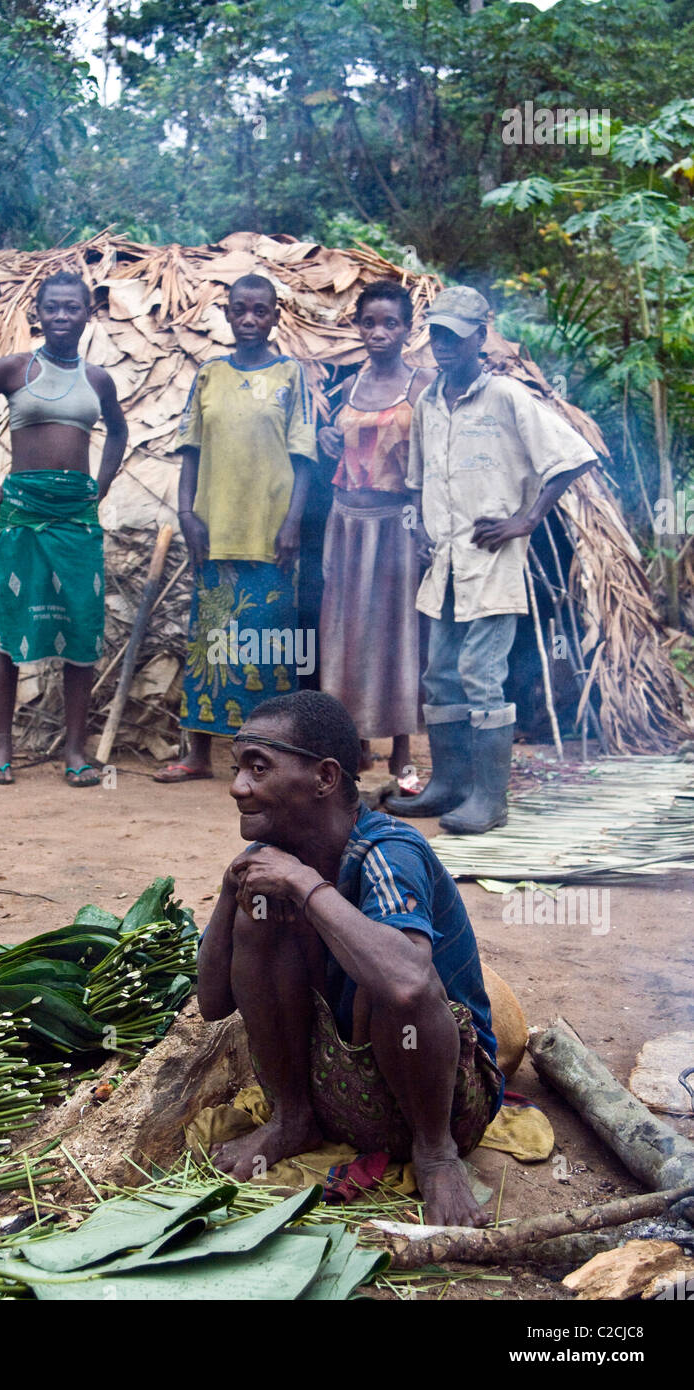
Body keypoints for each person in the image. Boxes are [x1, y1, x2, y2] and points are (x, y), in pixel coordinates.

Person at [197, 689, 504, 1227]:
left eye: (258, 767)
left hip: (443, 1104)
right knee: (259, 910)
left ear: (325, 777)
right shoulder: (271, 858)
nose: (237, 786)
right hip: (332, 1092)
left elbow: (409, 983)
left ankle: (435, 1158)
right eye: (237, 767)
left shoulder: (388, 850)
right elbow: (213, 1004)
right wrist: (231, 892)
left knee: (389, 966)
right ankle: (292, 1120)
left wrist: (308, 887)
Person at [384, 286, 598, 833]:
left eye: (456, 335)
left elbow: (572, 458)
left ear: (481, 337)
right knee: (440, 677)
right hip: (447, 564)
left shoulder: (504, 396)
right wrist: (422, 528)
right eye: (437, 334)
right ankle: (448, 785)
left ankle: (489, 799)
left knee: (482, 675)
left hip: (493, 561)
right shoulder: (429, 402)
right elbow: (416, 481)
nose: (444, 345)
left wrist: (527, 520)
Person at [0, 270, 128, 786]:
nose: (62, 317)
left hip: (76, 518)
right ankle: (2, 747)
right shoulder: (14, 369)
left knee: (82, 630)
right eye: (53, 308)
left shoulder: (99, 379)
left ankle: (74, 751)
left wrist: (101, 484)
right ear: (36, 313)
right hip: (23, 513)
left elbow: (118, 432)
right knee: (11, 629)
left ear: (89, 314)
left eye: (73, 308)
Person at [154, 274, 316, 782]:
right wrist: (186, 515)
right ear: (226, 313)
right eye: (240, 309)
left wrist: (293, 522)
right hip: (214, 532)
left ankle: (269, 757)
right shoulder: (209, 375)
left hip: (270, 536)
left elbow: (304, 458)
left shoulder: (292, 375)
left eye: (260, 310)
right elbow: (190, 451)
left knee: (269, 647)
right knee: (210, 642)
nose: (249, 319)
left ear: (274, 316)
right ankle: (197, 754)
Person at [317, 281, 434, 776]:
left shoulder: (422, 385)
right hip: (347, 522)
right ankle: (354, 744)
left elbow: (433, 459)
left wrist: (426, 525)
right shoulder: (347, 388)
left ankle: (403, 750)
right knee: (345, 631)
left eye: (391, 323)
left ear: (408, 329)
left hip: (396, 524)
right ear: (357, 326)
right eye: (369, 322)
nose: (379, 332)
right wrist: (328, 439)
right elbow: (338, 448)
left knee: (397, 632)